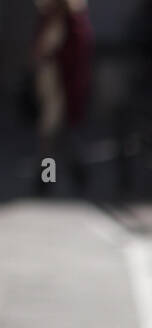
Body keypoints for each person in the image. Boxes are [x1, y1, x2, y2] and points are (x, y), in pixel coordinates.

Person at [30, 0, 94, 192]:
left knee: (55, 136)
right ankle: (62, 175)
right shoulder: (56, 20)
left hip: (62, 87)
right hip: (54, 86)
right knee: (59, 136)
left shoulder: (71, 22)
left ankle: (50, 178)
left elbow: (71, 56)